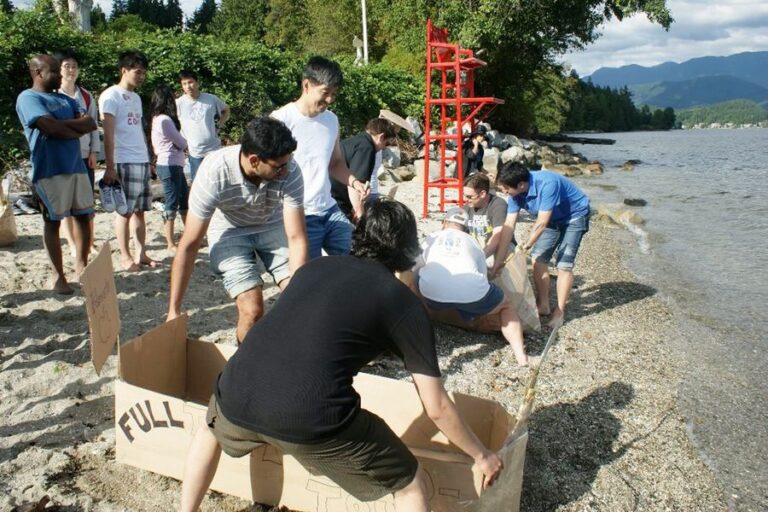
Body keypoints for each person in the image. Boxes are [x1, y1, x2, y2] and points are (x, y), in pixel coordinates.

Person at [179, 199, 503, 512]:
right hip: (308, 416)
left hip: (234, 391)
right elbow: (437, 407)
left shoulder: (315, 267)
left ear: (358, 234)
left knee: (209, 430)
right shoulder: (403, 303)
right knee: (409, 483)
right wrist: (481, 455)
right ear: (408, 249)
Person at [166, 117, 308, 343]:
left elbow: (296, 237)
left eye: (288, 162)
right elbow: (190, 244)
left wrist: (298, 296)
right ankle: (246, 366)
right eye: (279, 166)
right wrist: (174, 308)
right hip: (229, 229)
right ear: (254, 160)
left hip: (272, 226)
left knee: (302, 297)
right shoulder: (215, 172)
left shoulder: (289, 169)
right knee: (252, 310)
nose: (285, 170)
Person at [272, 56, 370, 259]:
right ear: (306, 85)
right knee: (311, 274)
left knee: (360, 255)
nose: (330, 100)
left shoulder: (331, 120)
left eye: (334, 94)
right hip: (298, 214)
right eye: (325, 92)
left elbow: (335, 163)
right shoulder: (280, 120)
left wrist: (354, 182)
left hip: (329, 208)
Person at [415, 207, 538, 367]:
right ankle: (522, 357)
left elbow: (415, 267)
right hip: (471, 294)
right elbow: (482, 276)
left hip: (432, 296)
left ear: (444, 222)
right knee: (506, 306)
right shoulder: (472, 241)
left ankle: (424, 320)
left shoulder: (430, 238)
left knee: (418, 277)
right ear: (466, 228)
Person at [15, 54, 96, 294]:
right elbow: (49, 127)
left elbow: (89, 124)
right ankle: (58, 276)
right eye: (54, 71)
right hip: (49, 170)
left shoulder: (64, 99)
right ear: (38, 73)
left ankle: (81, 267)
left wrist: (65, 128)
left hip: (76, 167)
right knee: (52, 221)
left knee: (84, 217)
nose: (60, 75)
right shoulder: (28, 98)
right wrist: (71, 128)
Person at [493, 162, 590, 328]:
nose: (504, 192)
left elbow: (542, 222)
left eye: (506, 188)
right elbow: (508, 227)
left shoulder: (548, 184)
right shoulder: (515, 195)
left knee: (564, 265)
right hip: (553, 220)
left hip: (575, 216)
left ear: (521, 185)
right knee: (538, 259)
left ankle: (559, 311)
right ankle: (543, 304)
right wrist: (498, 261)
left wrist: (526, 246)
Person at [99, 49, 159, 271]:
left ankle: (140, 253)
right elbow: (109, 132)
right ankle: (125, 257)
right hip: (123, 159)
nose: (141, 76)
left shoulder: (135, 98)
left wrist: (149, 158)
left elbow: (139, 129)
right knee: (124, 211)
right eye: (138, 71)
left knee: (141, 211)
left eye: (144, 72)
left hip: (140, 159)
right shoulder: (110, 96)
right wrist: (110, 165)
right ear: (124, 70)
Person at [55, 49, 100, 260]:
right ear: (59, 69)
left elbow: (93, 126)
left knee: (85, 202)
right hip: (63, 155)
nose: (71, 70)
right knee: (67, 203)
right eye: (66, 66)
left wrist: (94, 151)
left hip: (84, 155)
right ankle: (72, 244)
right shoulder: (53, 94)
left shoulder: (86, 95)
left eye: (74, 66)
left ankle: (88, 243)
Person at [330, 117, 396, 220]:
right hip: (337, 202)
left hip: (328, 195)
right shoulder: (367, 148)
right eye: (386, 144)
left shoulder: (357, 140)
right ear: (381, 137)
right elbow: (355, 186)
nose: (384, 148)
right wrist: (360, 216)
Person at [150, 83, 189, 253]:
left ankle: (187, 235)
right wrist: (184, 143)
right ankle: (170, 242)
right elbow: (181, 142)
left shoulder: (157, 119)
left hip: (172, 163)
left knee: (183, 199)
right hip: (169, 164)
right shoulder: (164, 120)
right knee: (172, 202)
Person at [176, 69, 230, 182]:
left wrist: (219, 125)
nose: (188, 86)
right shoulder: (179, 103)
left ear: (197, 82)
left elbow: (226, 109)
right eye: (184, 84)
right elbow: (171, 123)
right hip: (195, 152)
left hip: (213, 149)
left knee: (218, 181)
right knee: (198, 183)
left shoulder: (211, 99)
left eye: (190, 82)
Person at [462, 173, 510, 259]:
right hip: (478, 250)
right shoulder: (466, 209)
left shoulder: (498, 205)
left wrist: (480, 259)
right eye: (464, 195)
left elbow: (498, 237)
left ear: (482, 194)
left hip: (498, 250)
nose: (465, 199)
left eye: (469, 196)